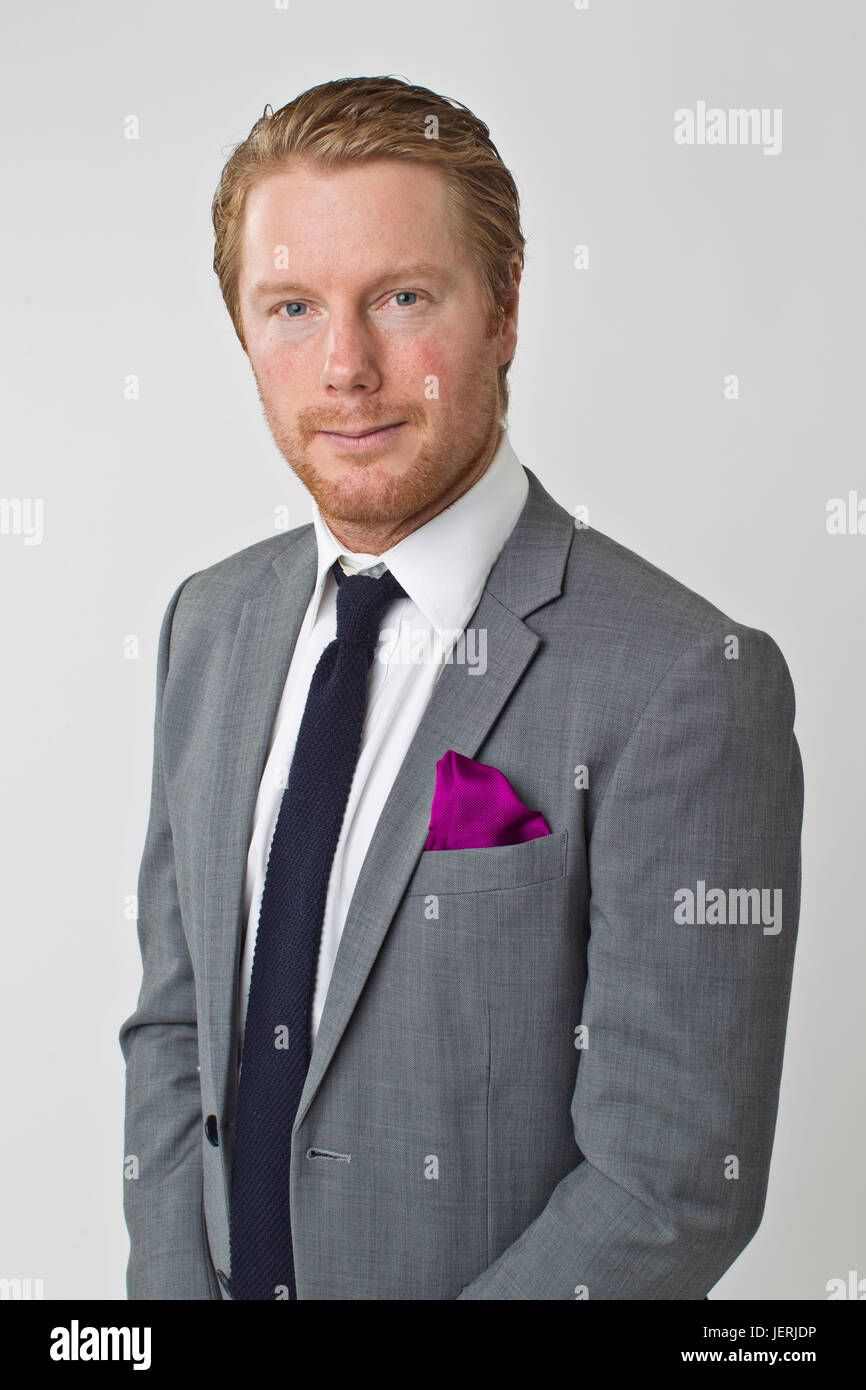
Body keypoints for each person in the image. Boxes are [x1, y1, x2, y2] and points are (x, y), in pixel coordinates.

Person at [119, 75, 803, 1300]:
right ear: (241, 332)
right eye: (290, 307)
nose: (345, 367)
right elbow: (176, 1032)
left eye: (400, 297)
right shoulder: (206, 626)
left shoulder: (685, 682)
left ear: (503, 310)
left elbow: (670, 1182)